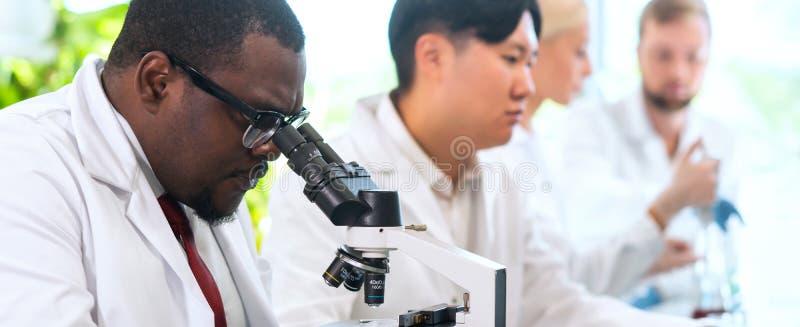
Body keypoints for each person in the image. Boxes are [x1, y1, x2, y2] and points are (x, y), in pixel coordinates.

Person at [264, 0, 698, 326]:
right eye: (512, 59)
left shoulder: (505, 175)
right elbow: (302, 319)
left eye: (531, 63)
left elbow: (553, 304)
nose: (527, 86)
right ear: (433, 56)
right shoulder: (322, 193)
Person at [0, 1, 305, 326]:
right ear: (156, 83)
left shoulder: (208, 175)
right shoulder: (20, 165)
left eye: (284, 124)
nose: (271, 148)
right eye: (258, 117)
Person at [484, 0, 699, 298]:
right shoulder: (498, 154)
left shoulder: (537, 145)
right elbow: (557, 290)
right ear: (536, 48)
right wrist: (668, 205)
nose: (588, 69)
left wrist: (648, 261)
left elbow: (565, 271)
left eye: (694, 57)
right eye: (579, 51)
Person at [560, 0, 738, 310]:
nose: (678, 72)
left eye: (693, 57)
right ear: (638, 52)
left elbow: (725, 249)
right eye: (663, 55)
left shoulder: (720, 138)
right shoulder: (589, 125)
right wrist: (676, 197)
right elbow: (587, 222)